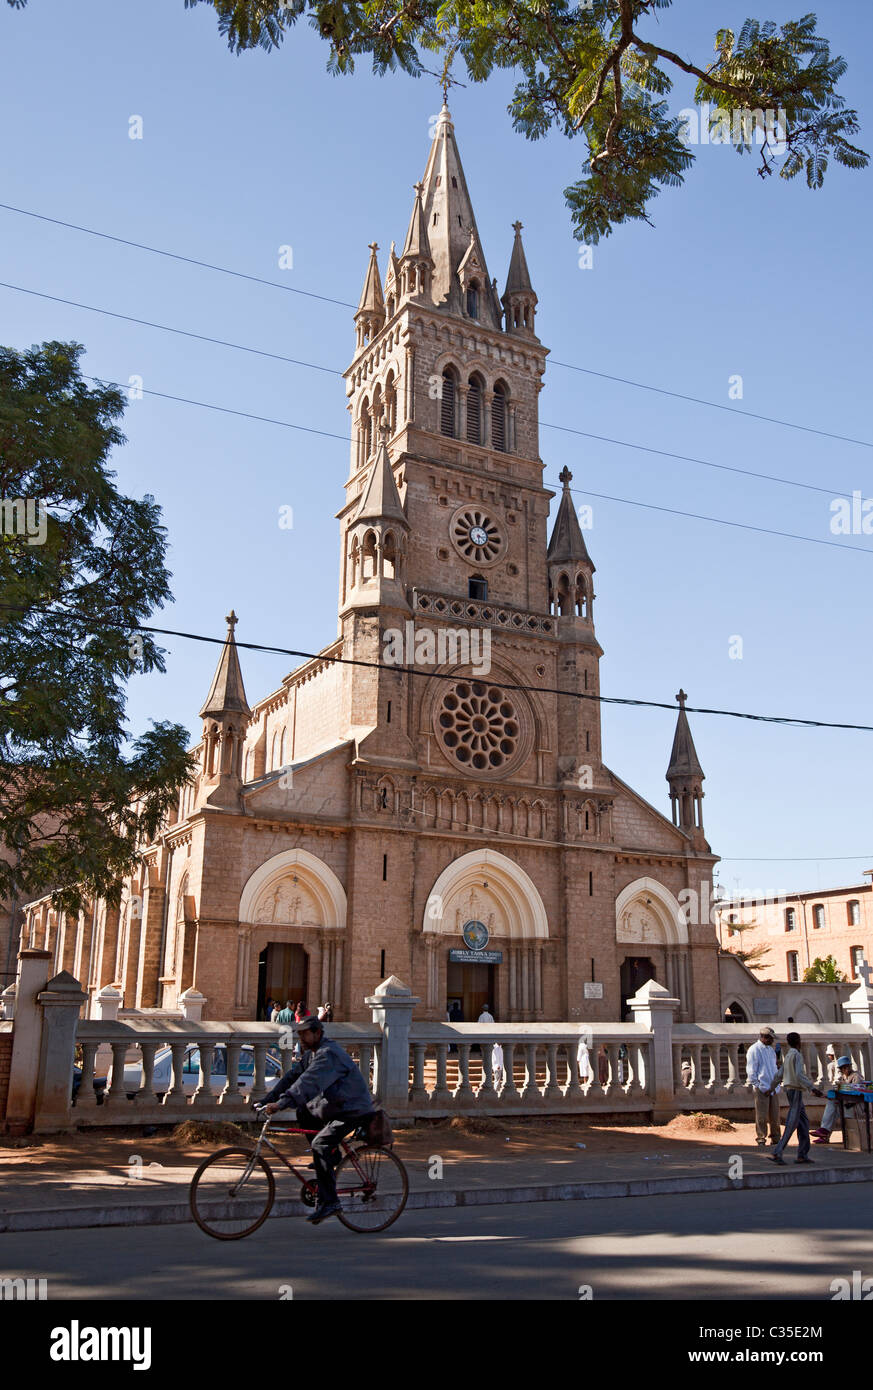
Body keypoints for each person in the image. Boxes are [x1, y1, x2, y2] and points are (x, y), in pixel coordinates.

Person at [259, 1013, 375, 1225]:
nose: (301, 1039)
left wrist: (281, 1104)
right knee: (303, 1112)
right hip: (335, 1107)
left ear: (318, 1033)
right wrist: (267, 1099)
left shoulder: (328, 1054)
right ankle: (330, 1157)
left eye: (305, 1034)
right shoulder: (311, 1054)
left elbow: (307, 1084)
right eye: (299, 1034)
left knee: (320, 1143)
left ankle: (330, 1202)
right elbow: (292, 1077)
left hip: (353, 1109)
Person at [766, 1032, 823, 1165]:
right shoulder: (797, 1055)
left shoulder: (789, 1055)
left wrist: (771, 1088)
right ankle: (777, 1152)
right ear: (798, 1042)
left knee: (804, 1123)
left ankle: (802, 1154)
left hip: (790, 1090)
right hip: (795, 1091)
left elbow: (779, 1074)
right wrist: (812, 1087)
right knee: (792, 1123)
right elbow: (799, 1074)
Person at [745, 1026, 782, 1147]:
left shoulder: (770, 1050)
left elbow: (774, 1068)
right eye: (771, 1038)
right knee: (761, 1115)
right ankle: (761, 1137)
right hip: (762, 1087)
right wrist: (760, 1086)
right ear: (764, 1037)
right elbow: (751, 1071)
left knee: (775, 1114)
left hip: (773, 1087)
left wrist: (775, 1085)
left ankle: (776, 1137)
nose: (772, 1041)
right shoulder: (754, 1050)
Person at [813, 1056, 863, 1144]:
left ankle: (825, 1132)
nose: (845, 1069)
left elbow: (856, 1089)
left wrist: (841, 1089)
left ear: (849, 1066)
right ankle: (824, 1132)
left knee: (834, 1106)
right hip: (845, 1104)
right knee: (832, 1105)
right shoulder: (843, 1077)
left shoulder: (856, 1076)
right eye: (842, 1068)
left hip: (854, 1105)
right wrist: (824, 1095)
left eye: (846, 1067)